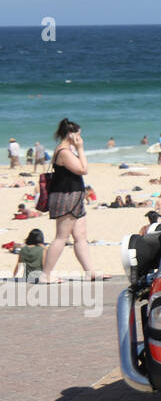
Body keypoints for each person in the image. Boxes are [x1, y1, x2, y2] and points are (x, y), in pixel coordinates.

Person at [41, 119, 104, 281]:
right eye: (78, 134)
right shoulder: (64, 152)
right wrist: (80, 148)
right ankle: (46, 275)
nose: (80, 138)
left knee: (80, 236)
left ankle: (90, 272)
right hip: (65, 197)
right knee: (62, 237)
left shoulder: (66, 150)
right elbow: (83, 169)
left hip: (74, 196)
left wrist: (77, 148)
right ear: (70, 135)